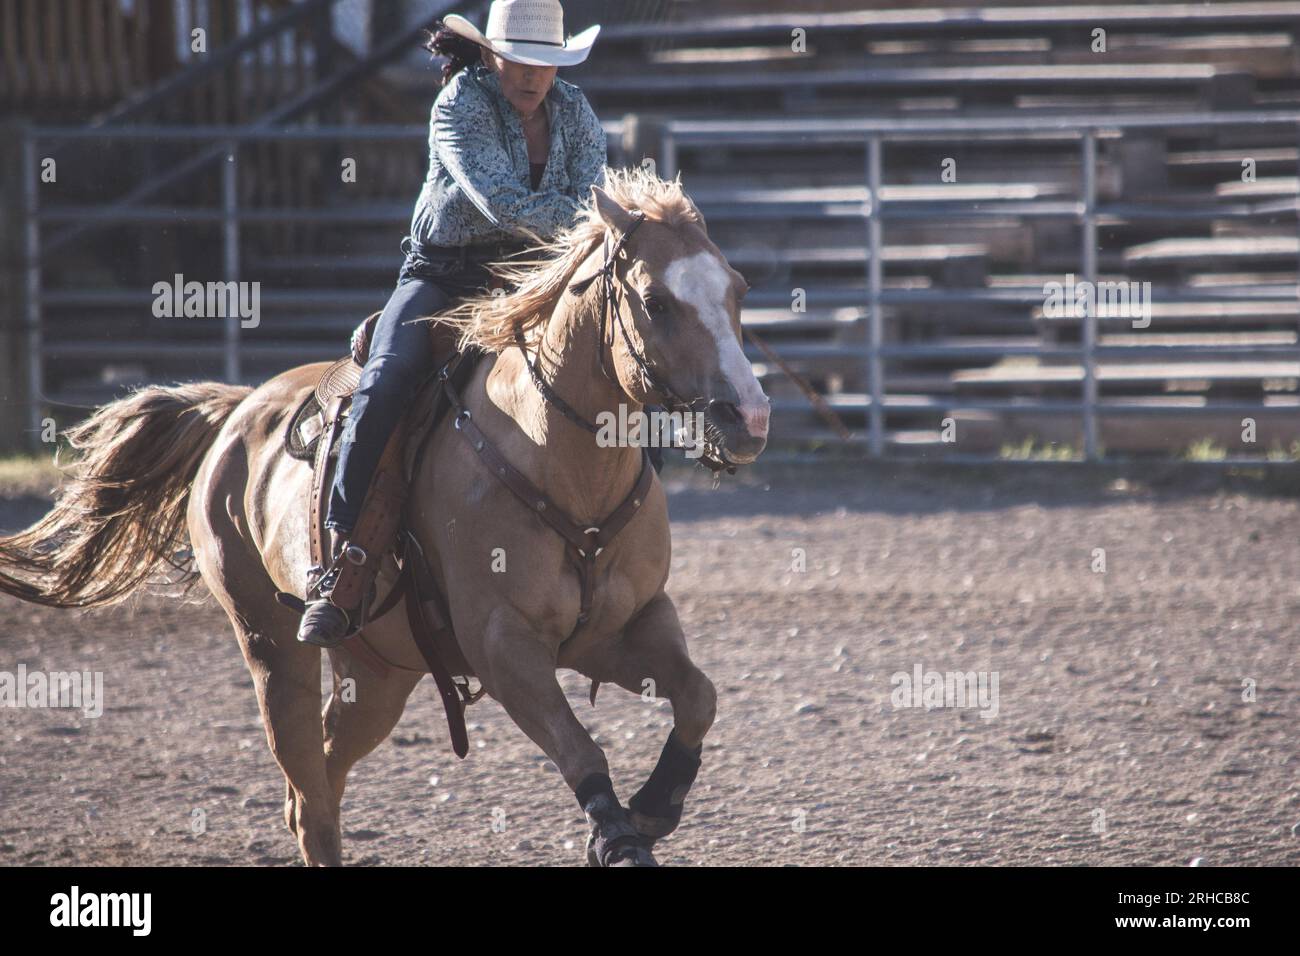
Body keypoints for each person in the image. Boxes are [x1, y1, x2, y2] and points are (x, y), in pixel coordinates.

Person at [298, 0, 607, 647]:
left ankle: (616, 540)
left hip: (537, 278)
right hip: (445, 278)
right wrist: (574, 217)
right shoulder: (460, 103)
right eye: (519, 61)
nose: (532, 76)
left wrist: (579, 221)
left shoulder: (574, 110)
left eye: (544, 64)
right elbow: (502, 202)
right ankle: (340, 558)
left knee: (616, 365)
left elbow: (594, 199)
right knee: (386, 381)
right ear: (492, 57)